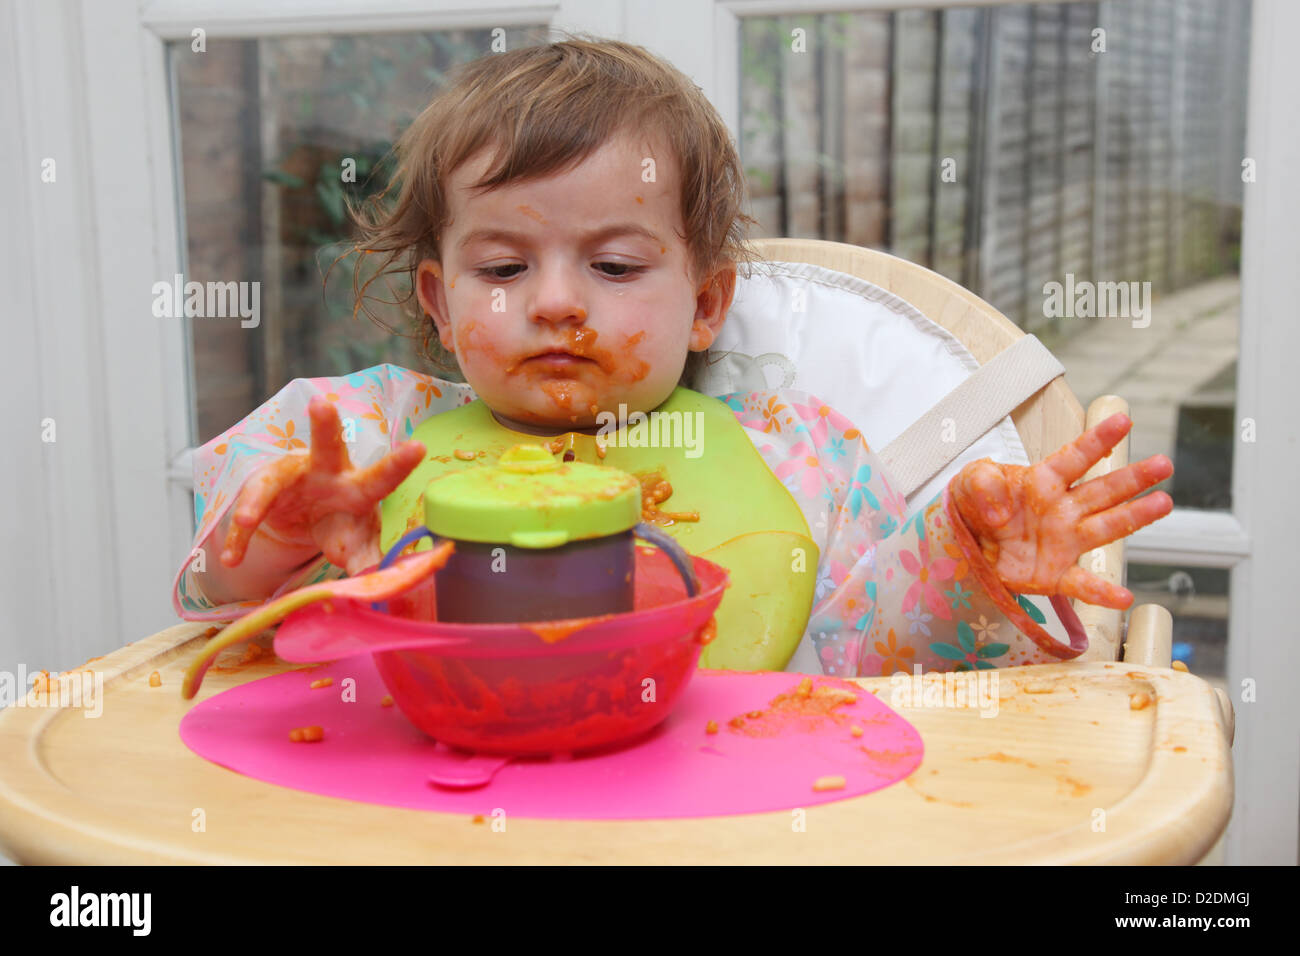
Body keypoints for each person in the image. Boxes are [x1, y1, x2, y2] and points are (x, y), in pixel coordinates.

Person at [172, 37, 1173, 677]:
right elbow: (226, 607)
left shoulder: (798, 456)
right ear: (440, 301)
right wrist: (287, 529)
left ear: (704, 304)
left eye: (612, 263)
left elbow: (873, 652)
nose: (557, 300)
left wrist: (970, 562)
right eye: (504, 265)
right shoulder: (364, 434)